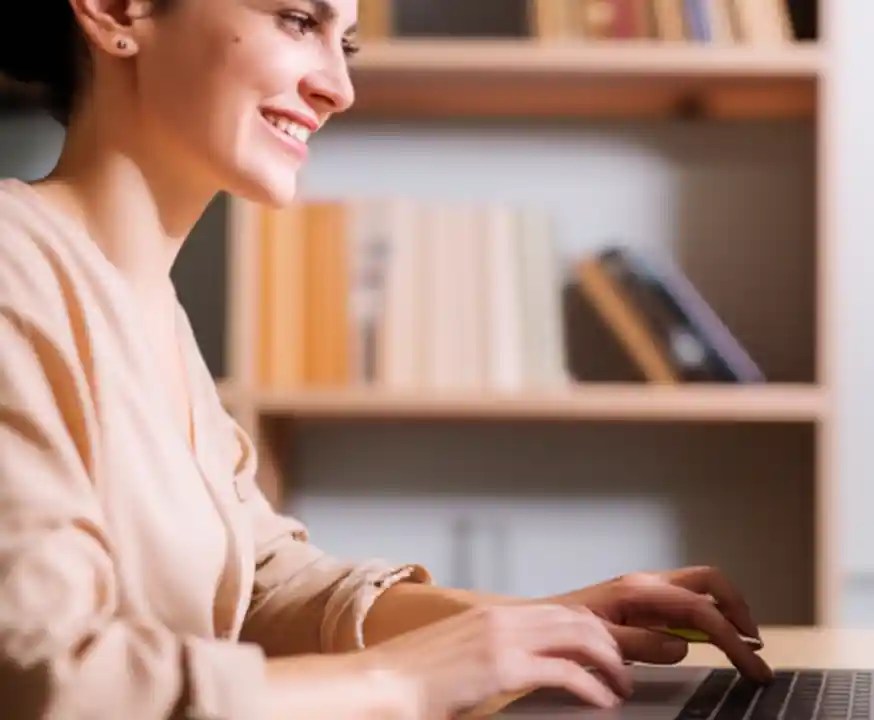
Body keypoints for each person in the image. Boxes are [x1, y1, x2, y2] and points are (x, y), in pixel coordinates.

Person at [0, 1, 774, 718]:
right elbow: (52, 678)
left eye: (348, 44)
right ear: (114, 9)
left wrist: (528, 623)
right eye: (298, 19)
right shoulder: (13, 268)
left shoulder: (147, 309)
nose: (338, 88)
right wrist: (409, 677)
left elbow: (263, 586)